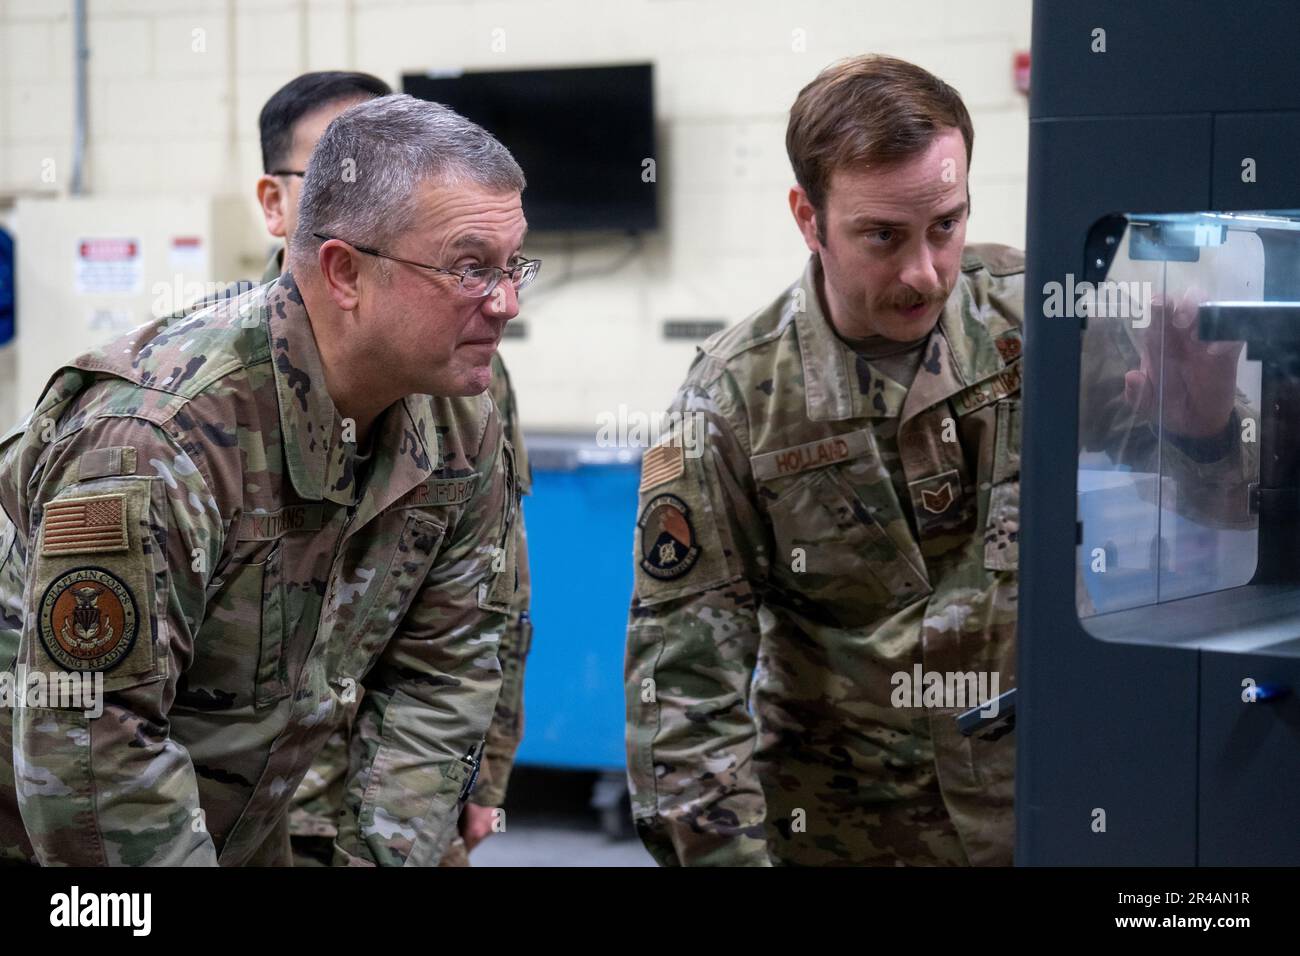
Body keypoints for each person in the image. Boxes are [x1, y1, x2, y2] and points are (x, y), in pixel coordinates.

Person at [623, 54, 1253, 867]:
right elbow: (684, 699)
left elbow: (1224, 528)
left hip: (1041, 809)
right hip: (847, 831)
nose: (924, 272)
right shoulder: (733, 403)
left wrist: (1203, 431)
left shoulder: (1036, 317)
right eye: (882, 236)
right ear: (808, 220)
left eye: (945, 226)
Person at [0, 94, 535, 866]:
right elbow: (93, 755)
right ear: (345, 272)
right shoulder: (154, 441)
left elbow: (440, 677)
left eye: (514, 265)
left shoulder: (459, 423)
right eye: (470, 268)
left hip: (244, 831)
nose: (507, 302)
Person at [253, 71, 534, 867]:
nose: (502, 301)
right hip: (244, 804)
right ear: (280, 204)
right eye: (333, 177)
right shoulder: (202, 412)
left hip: (404, 784)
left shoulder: (462, 380)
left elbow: (492, 589)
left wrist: (486, 766)